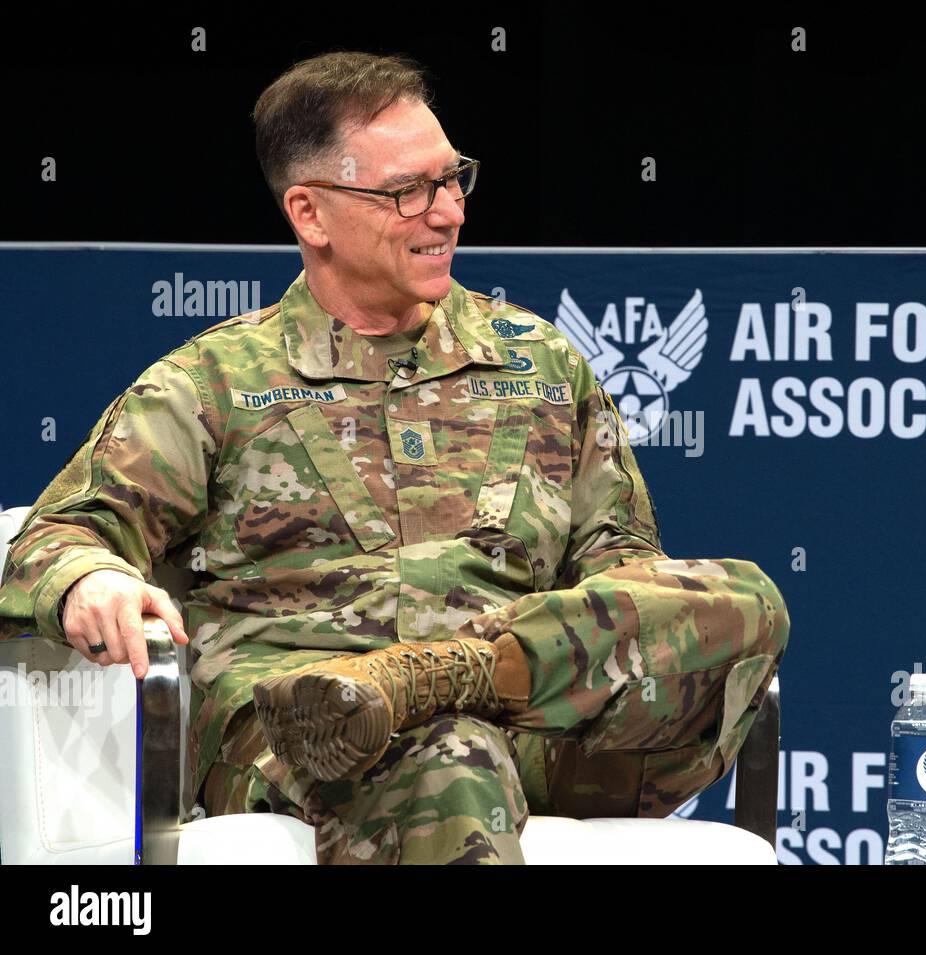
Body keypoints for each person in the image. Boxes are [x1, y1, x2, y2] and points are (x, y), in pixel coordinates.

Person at [0, 51, 789, 864]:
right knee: (448, 757)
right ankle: (424, 696)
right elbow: (55, 535)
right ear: (309, 213)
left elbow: (623, 567)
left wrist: (626, 627)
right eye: (409, 191)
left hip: (535, 720)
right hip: (309, 735)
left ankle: (452, 673)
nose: (447, 213)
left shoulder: (540, 363)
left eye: (454, 181)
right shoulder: (214, 382)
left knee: (752, 601)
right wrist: (87, 578)